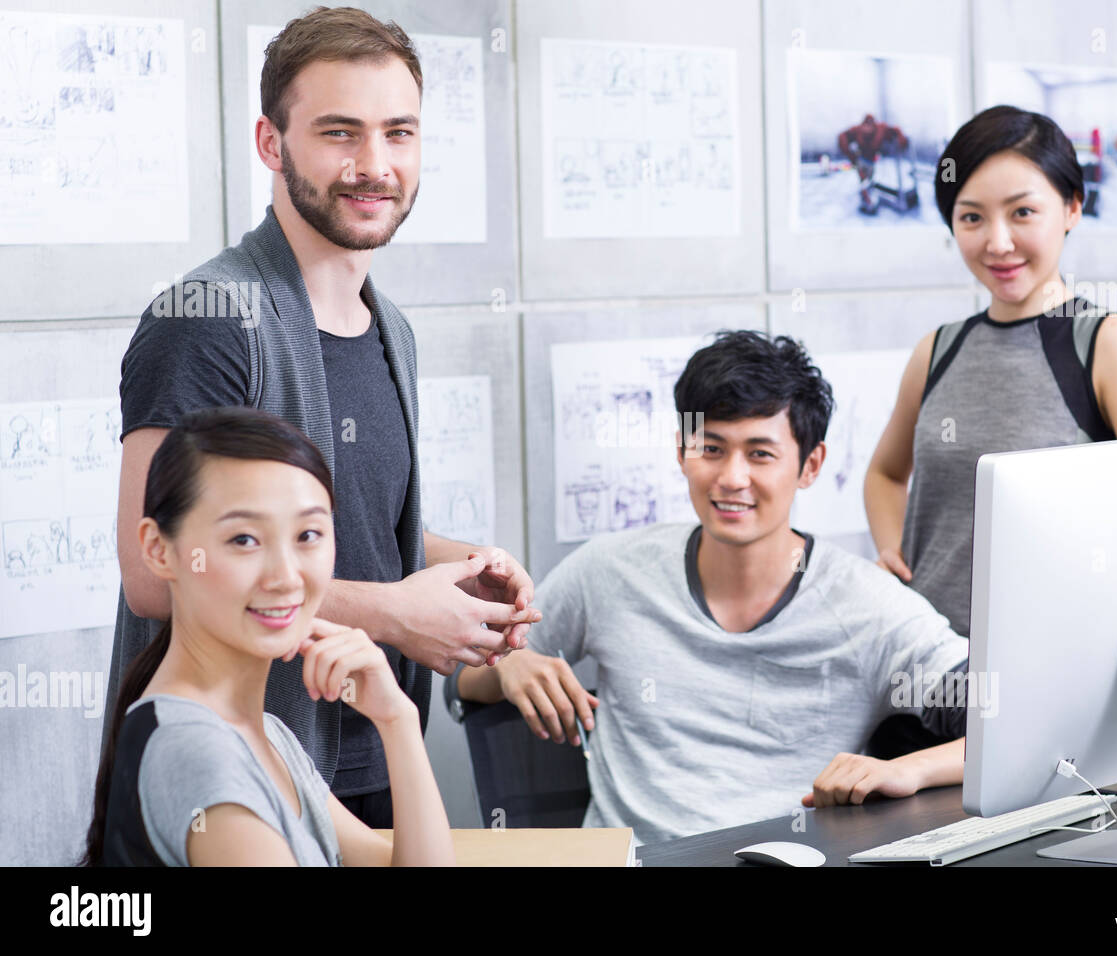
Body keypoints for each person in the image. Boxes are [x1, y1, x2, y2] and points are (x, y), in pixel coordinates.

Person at [106, 7, 539, 828]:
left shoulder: (392, 328)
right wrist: (398, 615)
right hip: (243, 765)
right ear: (272, 144)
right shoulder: (208, 317)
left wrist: (464, 569)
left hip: (366, 747)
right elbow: (152, 571)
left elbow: (352, 529)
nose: (374, 165)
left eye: (399, 134)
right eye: (341, 133)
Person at [455, 332, 971, 846]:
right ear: (682, 452)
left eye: (761, 454)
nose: (732, 477)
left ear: (810, 465)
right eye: (712, 449)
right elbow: (462, 678)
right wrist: (507, 661)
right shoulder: (608, 570)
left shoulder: (868, 606)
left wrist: (913, 770)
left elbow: (1010, 721)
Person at [862, 105, 1117, 754]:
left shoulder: (1107, 345)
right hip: (930, 676)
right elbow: (886, 474)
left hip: (1053, 688)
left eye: (1022, 212)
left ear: (1072, 209)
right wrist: (894, 555)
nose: (996, 241)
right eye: (972, 217)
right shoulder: (936, 350)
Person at [83, 407, 454, 866]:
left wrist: (397, 719)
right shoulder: (197, 753)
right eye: (244, 540)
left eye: (308, 534)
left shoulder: (268, 736)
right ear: (159, 550)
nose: (285, 576)